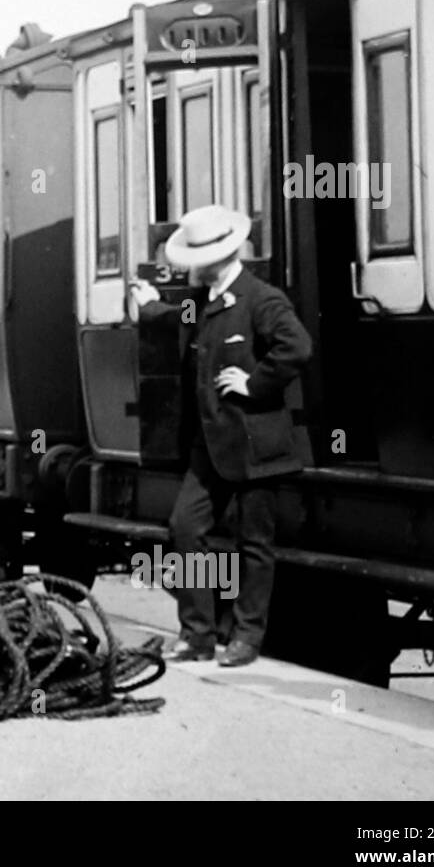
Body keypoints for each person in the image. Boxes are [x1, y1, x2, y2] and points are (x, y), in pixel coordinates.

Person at [130, 204, 311, 668]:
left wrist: (254, 382)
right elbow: (177, 320)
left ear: (220, 256)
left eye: (195, 257)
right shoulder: (207, 300)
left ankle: (247, 638)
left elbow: (297, 346)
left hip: (255, 444)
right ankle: (197, 635)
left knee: (255, 543)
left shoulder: (261, 299)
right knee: (185, 528)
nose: (189, 266)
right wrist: (149, 304)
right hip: (210, 446)